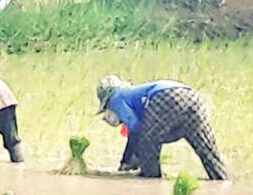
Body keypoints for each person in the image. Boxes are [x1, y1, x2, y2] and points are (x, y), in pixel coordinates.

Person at [95, 75, 228, 180]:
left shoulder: (116, 97)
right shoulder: (134, 95)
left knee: (147, 142)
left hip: (165, 96)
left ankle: (152, 181)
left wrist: (125, 161)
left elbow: (136, 130)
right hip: (192, 97)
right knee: (207, 151)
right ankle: (221, 179)